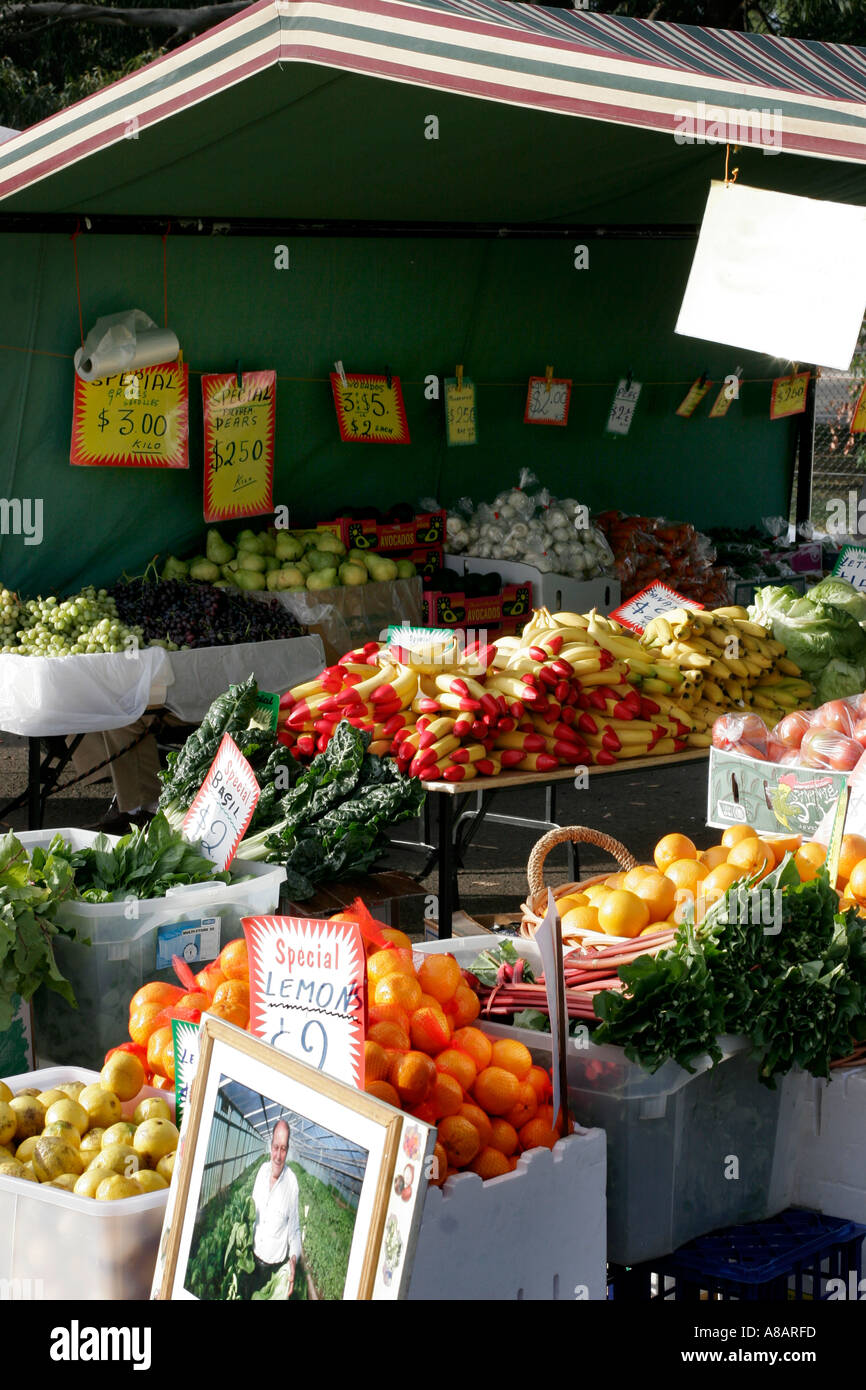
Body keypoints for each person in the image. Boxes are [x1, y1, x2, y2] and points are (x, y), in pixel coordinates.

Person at [246, 1118, 302, 1299]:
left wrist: (293, 1260)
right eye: (276, 1147)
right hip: (251, 1262)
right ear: (271, 1146)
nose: (278, 1156)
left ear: (288, 1150)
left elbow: (294, 1230)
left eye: (283, 1149)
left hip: (272, 1270)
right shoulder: (262, 1171)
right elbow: (251, 1212)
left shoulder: (292, 1183)